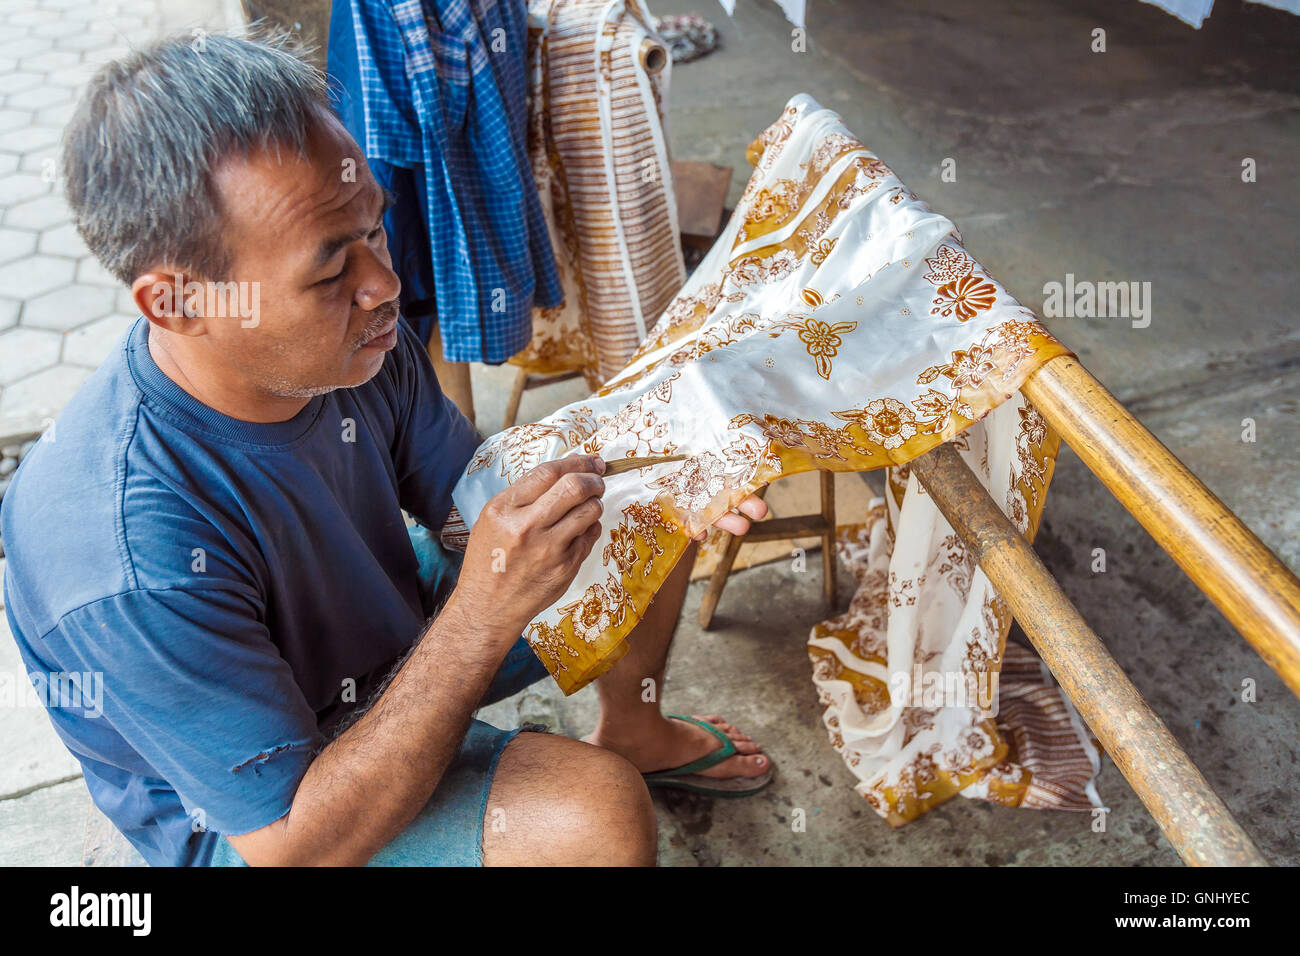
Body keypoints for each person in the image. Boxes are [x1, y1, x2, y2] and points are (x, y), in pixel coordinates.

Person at [0, 32, 771, 867]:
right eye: (330, 270)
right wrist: (480, 616)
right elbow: (292, 843)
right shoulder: (116, 553)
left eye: (375, 229)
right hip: (267, 826)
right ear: (178, 302)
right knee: (593, 819)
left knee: (643, 496)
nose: (385, 285)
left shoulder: (353, 338)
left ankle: (637, 727)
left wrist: (647, 485)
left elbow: (471, 493)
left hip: (375, 653)